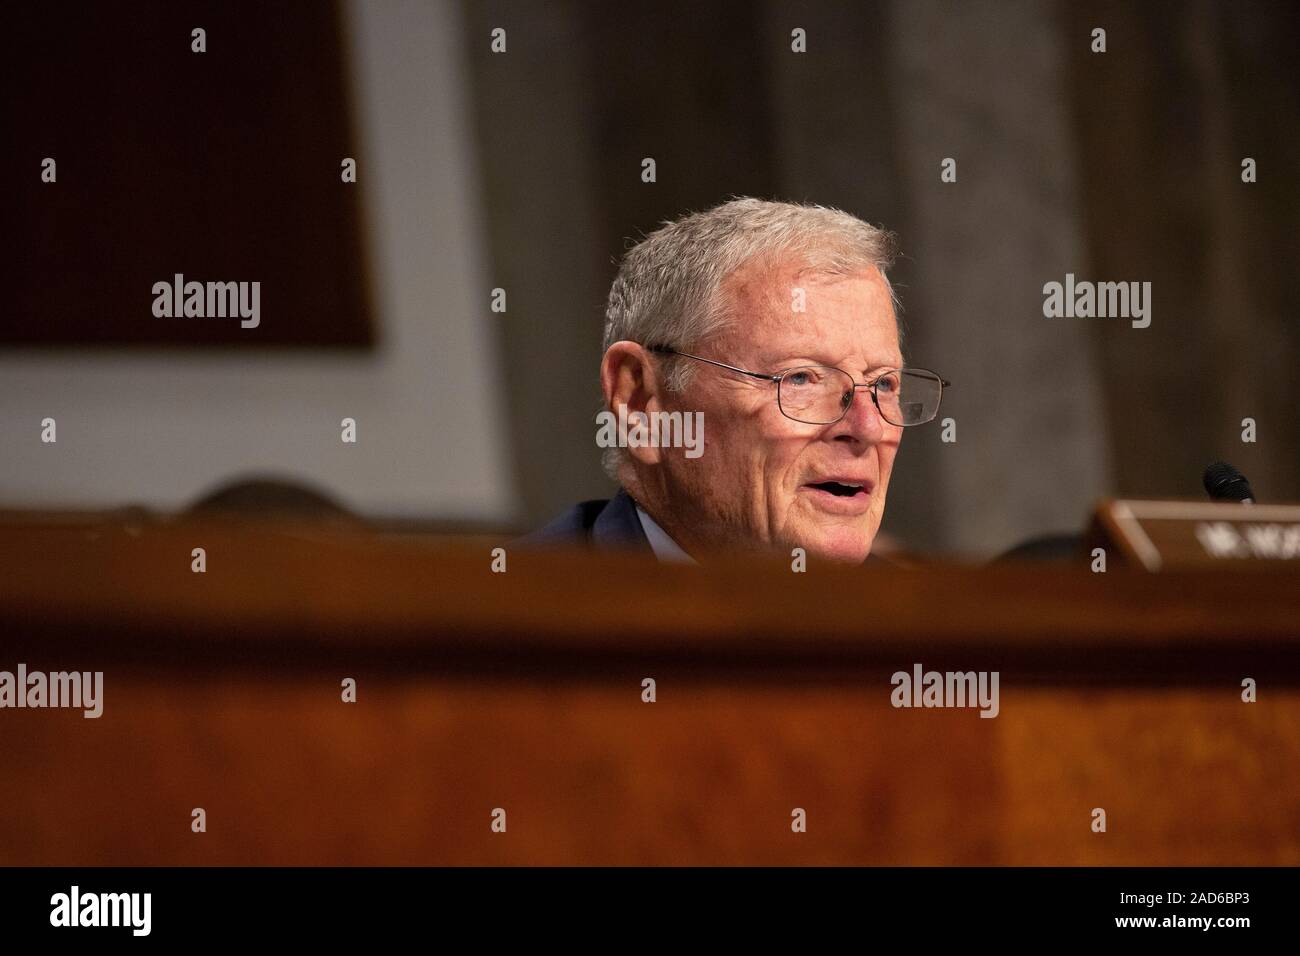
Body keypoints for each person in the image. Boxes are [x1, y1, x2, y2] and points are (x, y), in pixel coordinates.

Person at [523, 197, 948, 565]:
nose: (868, 428)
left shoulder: (936, 632)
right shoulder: (496, 630)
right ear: (640, 403)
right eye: (800, 379)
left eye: (884, 386)